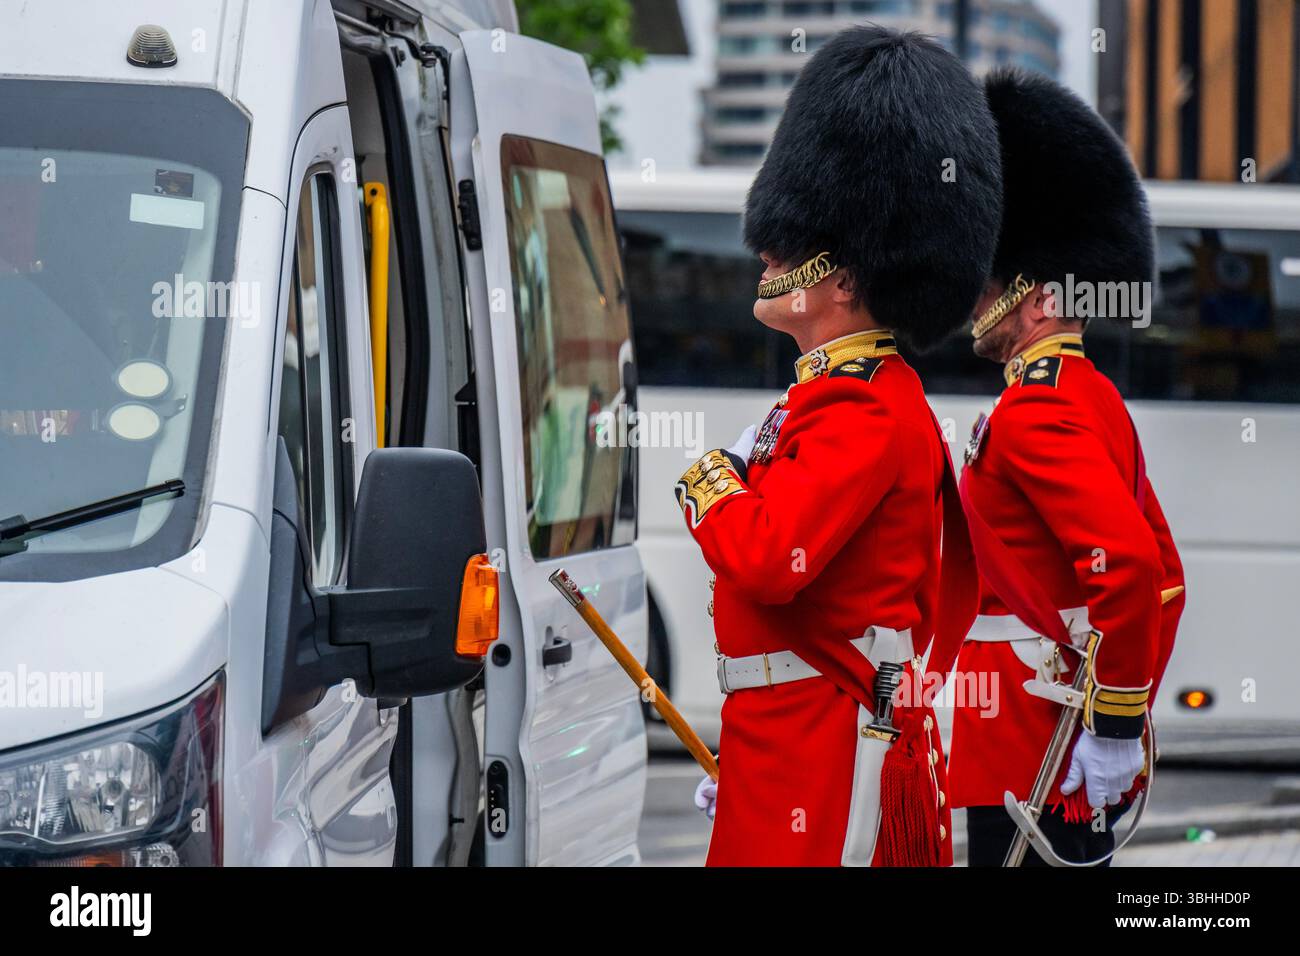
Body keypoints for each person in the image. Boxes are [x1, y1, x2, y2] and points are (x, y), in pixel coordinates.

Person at [677, 25, 1000, 866]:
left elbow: (767, 559)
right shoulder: (840, 395)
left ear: (847, 279)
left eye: (791, 247)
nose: (766, 252)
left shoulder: (859, 408)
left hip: (819, 747)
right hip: (793, 738)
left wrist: (711, 478)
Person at [948, 69, 1187, 866]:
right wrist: (1121, 711)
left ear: (1042, 298)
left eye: (993, 283)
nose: (976, 298)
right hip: (1048, 728)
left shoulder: (1038, 408)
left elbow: (1129, 565)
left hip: (1032, 738)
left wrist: (1114, 722)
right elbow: (1164, 577)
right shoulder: (1092, 394)